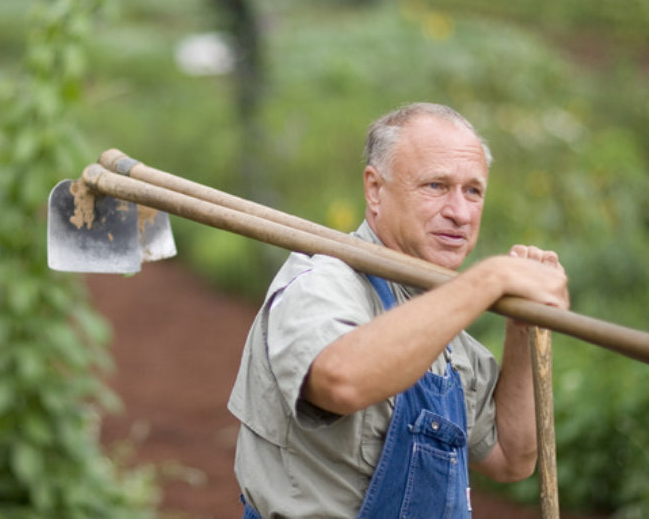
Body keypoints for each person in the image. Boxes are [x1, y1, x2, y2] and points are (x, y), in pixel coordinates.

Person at [229, 102, 570, 518]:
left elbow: (510, 456)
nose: (460, 213)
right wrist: (488, 279)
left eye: (473, 191)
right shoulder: (324, 281)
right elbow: (342, 381)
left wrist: (522, 326)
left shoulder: (441, 318)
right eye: (436, 186)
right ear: (375, 189)